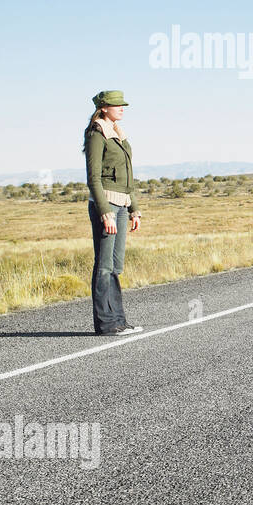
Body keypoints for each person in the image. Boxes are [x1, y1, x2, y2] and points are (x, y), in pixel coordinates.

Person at [83, 90, 143, 335]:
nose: (122, 108)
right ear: (103, 107)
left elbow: (128, 178)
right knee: (104, 265)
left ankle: (119, 321)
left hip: (121, 204)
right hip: (106, 205)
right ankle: (106, 324)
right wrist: (104, 211)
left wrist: (134, 208)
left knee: (116, 265)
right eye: (116, 104)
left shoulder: (118, 134)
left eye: (122, 105)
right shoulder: (97, 134)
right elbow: (93, 178)